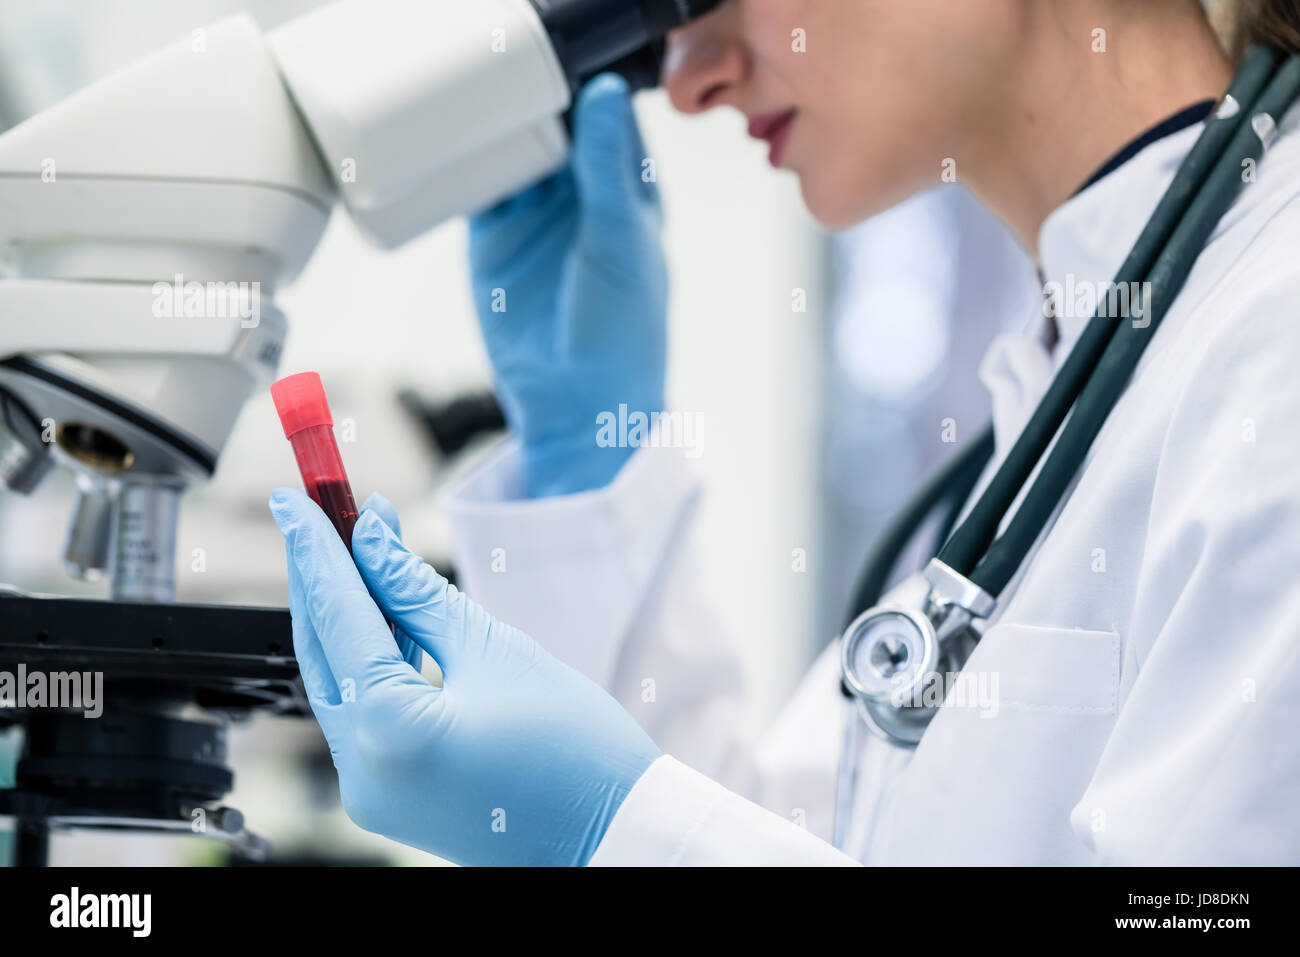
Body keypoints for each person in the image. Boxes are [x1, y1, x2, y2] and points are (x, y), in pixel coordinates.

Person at [271, 0, 1300, 866]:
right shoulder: (1045, 424)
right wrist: (586, 466)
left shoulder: (1271, 338)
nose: (689, 80)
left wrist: (612, 826)